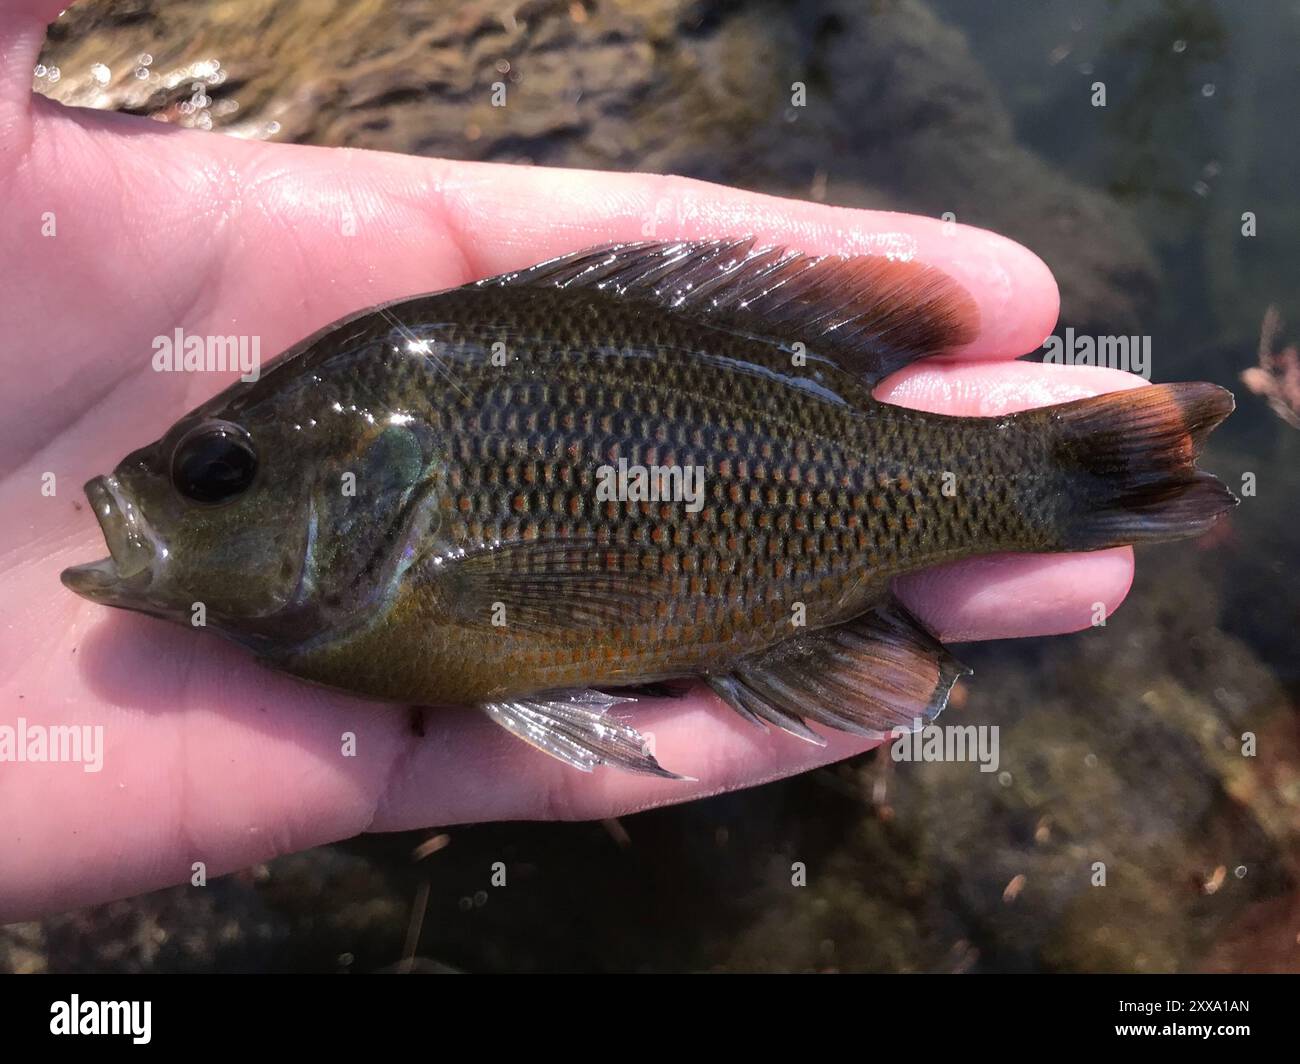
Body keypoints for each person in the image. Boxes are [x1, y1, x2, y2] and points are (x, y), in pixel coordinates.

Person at [0, 0, 1143, 921]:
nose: (161, 499)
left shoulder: (387, 574)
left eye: (219, 473)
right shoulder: (366, 568)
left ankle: (1063, 476)